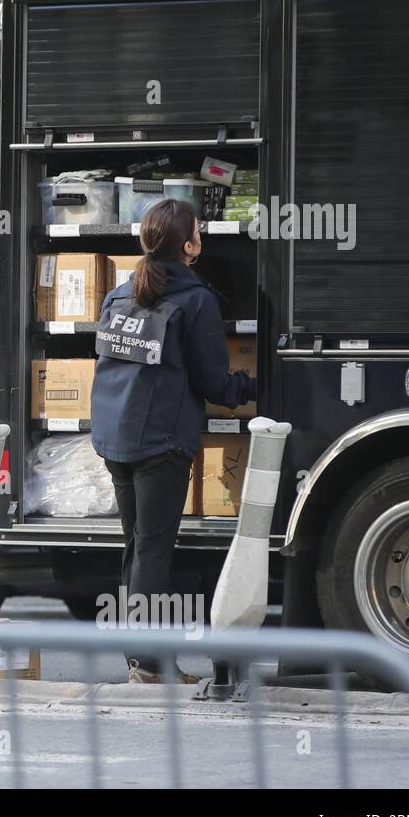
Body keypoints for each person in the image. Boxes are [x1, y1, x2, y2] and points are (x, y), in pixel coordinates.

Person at [90, 199, 255, 684]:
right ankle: (149, 663)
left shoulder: (118, 295)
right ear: (189, 245)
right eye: (198, 231)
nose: (200, 237)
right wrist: (257, 384)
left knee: (135, 546)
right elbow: (215, 385)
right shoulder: (196, 300)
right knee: (152, 551)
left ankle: (138, 658)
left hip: (114, 437)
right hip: (160, 443)